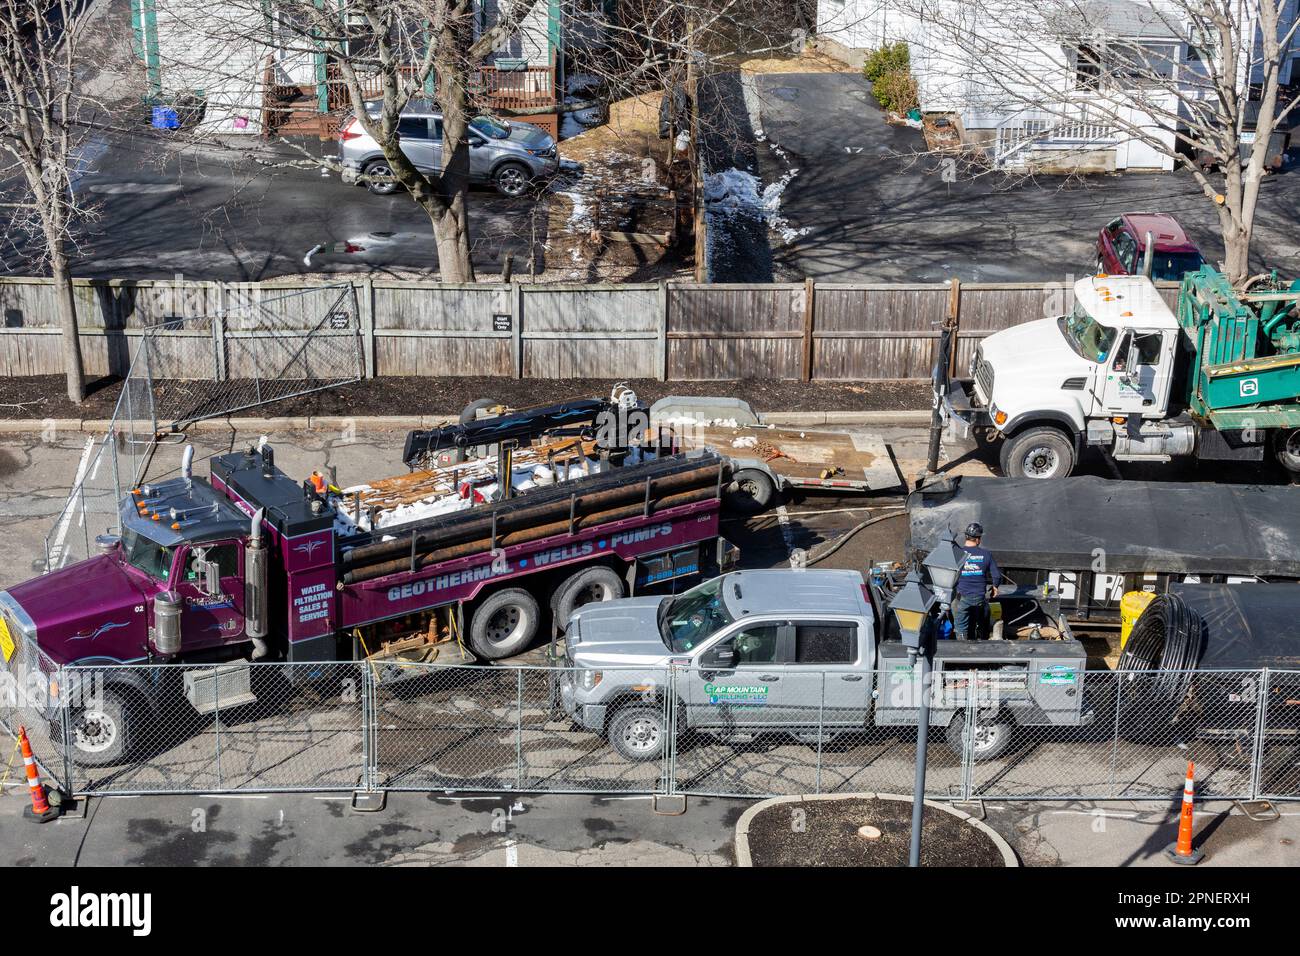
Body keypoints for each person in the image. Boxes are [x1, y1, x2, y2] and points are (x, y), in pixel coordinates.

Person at [953, 522, 1001, 641]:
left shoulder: (956, 554)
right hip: (979, 597)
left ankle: (962, 649)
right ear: (978, 539)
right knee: (983, 617)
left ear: (966, 536)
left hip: (962, 597)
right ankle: (982, 640)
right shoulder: (986, 554)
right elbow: (997, 576)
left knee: (960, 627)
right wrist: (995, 587)